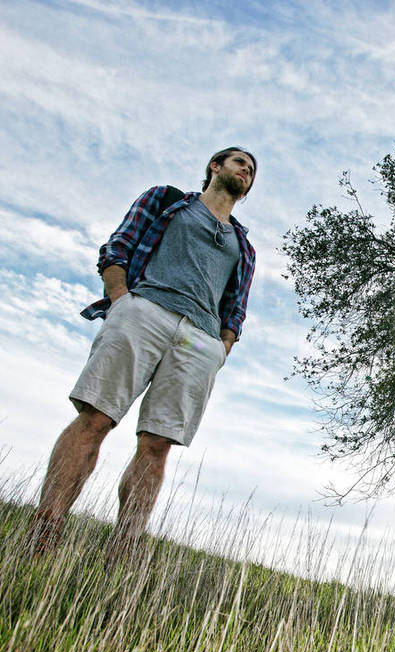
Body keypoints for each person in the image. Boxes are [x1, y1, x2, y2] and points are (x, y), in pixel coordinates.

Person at [28, 147, 257, 556]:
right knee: (96, 417)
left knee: (157, 445)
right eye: (240, 162)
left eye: (252, 170)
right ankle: (45, 530)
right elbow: (119, 246)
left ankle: (124, 550)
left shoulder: (244, 245)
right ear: (214, 166)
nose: (246, 170)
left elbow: (235, 307)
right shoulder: (167, 201)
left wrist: (221, 347)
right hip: (145, 310)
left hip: (198, 339)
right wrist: (120, 300)